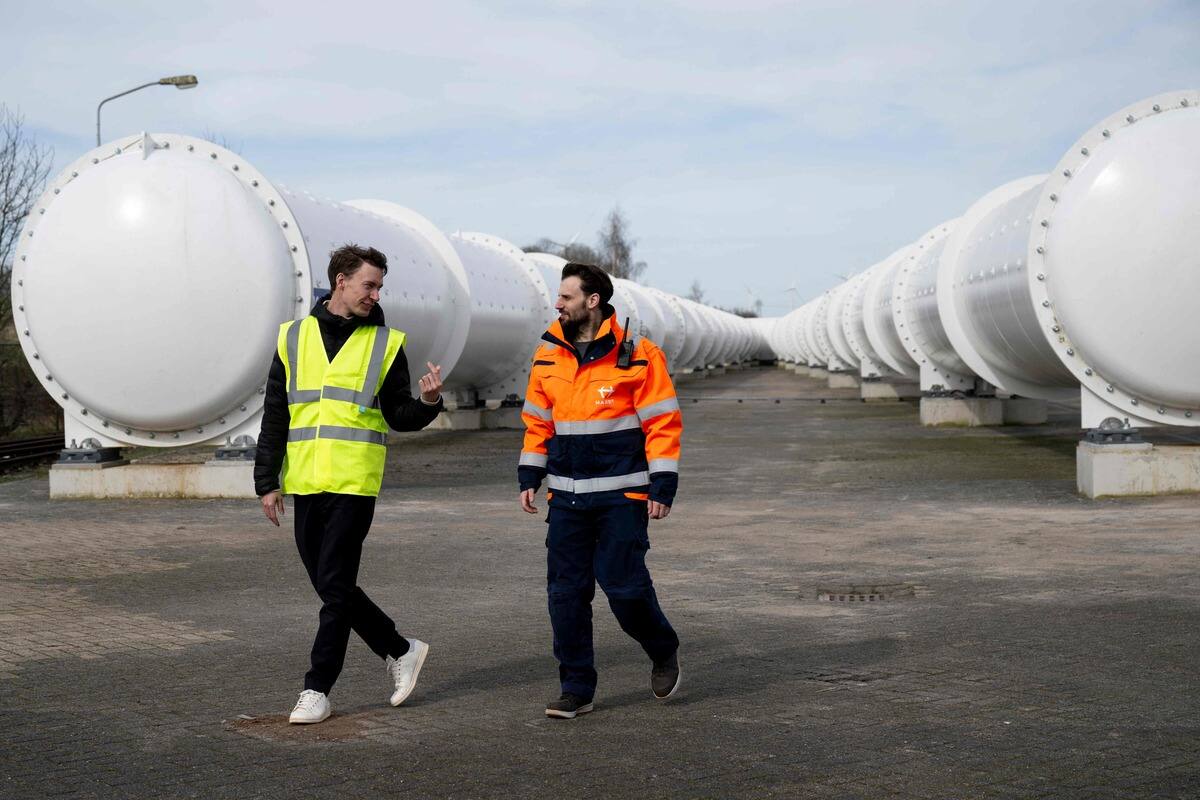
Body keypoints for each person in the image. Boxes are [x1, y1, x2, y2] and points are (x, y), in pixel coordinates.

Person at [255, 243, 445, 725]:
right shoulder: (293, 338)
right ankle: (399, 649)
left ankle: (316, 689)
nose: (375, 294)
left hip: (354, 484)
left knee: (335, 588)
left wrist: (427, 402)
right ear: (340, 281)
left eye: (379, 286)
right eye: (369, 284)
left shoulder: (385, 343)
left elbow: (398, 415)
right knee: (330, 585)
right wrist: (266, 480)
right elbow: (276, 413)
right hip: (305, 483)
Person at [518, 262, 683, 719]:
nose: (557, 303)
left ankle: (662, 647)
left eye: (566, 297)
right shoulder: (548, 355)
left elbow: (662, 423)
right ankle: (576, 688)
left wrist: (663, 484)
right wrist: (530, 475)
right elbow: (537, 421)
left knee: (624, 588)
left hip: (621, 498)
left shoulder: (641, 355)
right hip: (567, 499)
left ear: (593, 301)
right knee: (565, 595)